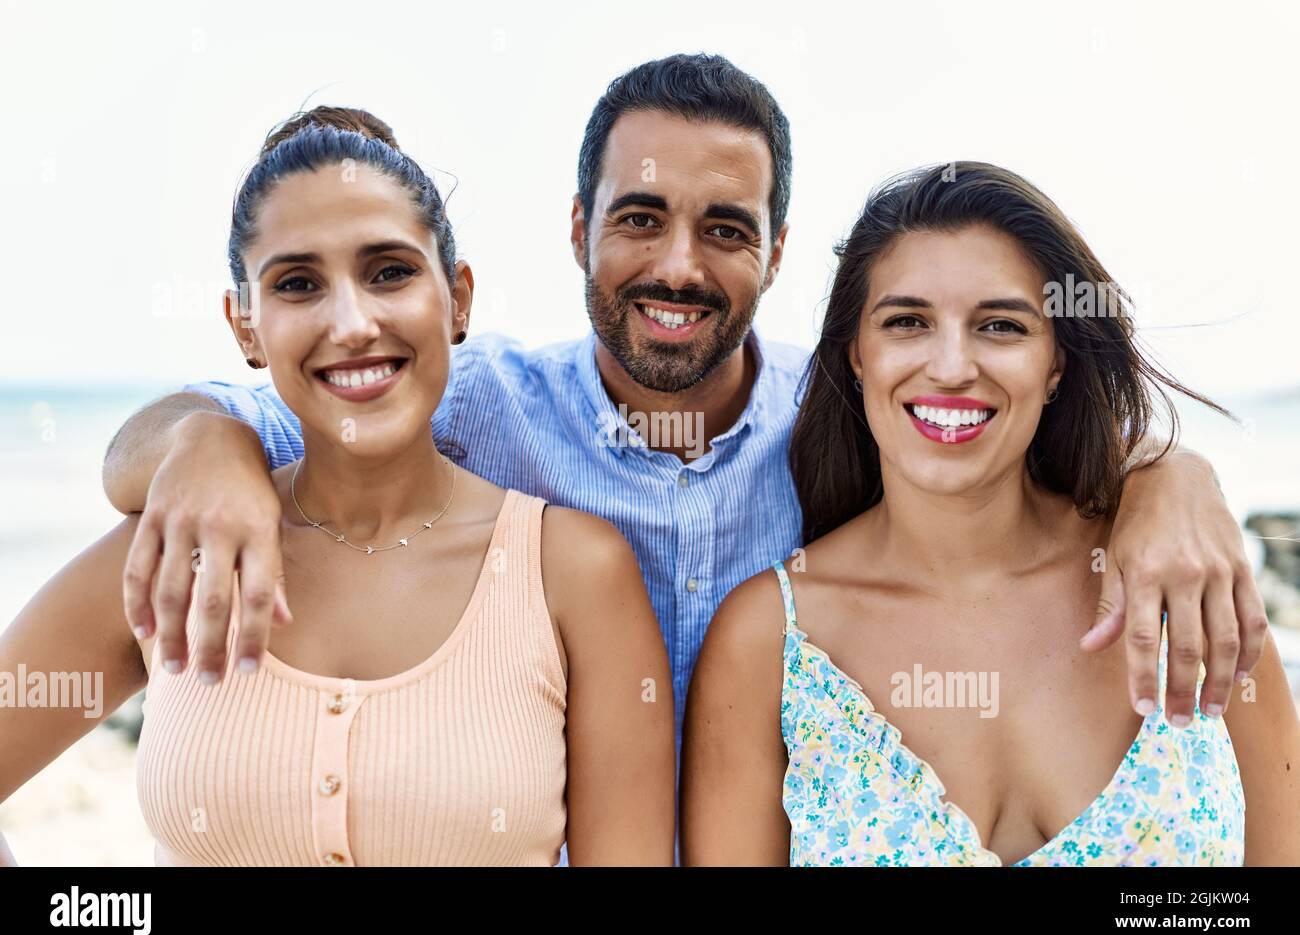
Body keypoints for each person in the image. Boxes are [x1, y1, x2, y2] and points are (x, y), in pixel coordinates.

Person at [99, 57, 1270, 762]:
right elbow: (176, 438)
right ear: (575, 229)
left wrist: (1174, 481)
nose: (677, 266)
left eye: (725, 228)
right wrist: (210, 438)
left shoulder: (851, 416)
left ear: (774, 252)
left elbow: (1020, 449)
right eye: (639, 217)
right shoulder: (480, 403)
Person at [0, 107, 675, 866]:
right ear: (245, 326)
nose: (352, 323)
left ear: (457, 297)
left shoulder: (575, 573)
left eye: (390, 271)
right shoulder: (170, 551)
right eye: (298, 283)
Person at [680, 162, 1300, 866]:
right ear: (857, 354)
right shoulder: (770, 641)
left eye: (1001, 326)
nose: (951, 367)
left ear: (1056, 362)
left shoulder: (1186, 585)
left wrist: (1177, 470)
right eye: (907, 322)